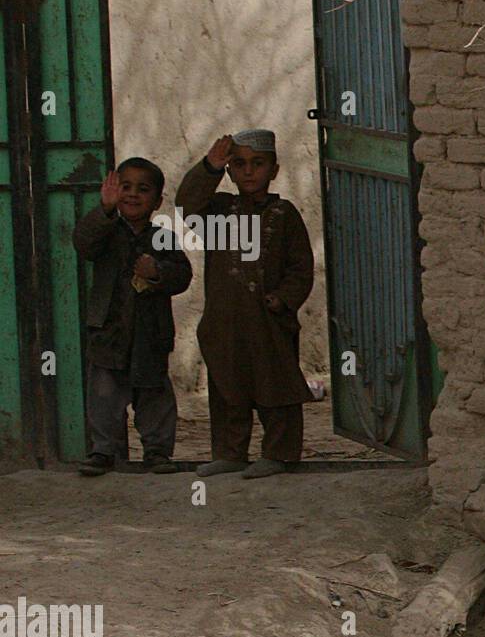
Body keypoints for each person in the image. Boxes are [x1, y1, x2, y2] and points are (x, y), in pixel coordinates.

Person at [175, 130, 314, 478]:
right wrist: (210, 166)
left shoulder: (284, 214)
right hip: (225, 320)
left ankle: (280, 454)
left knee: (276, 386)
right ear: (230, 171)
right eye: (239, 164)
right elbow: (187, 205)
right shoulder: (219, 212)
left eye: (258, 163)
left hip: (269, 320)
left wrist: (283, 299)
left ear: (274, 169)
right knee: (227, 387)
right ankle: (230, 453)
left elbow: (301, 268)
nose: (249, 172)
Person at [73, 159, 192, 476]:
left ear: (157, 200)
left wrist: (158, 272)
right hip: (109, 332)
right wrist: (105, 211)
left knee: (154, 394)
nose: (133, 195)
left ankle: (157, 452)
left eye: (143, 189)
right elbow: (83, 243)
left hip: (150, 334)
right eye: (125, 187)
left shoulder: (162, 237)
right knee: (104, 395)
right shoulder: (106, 231)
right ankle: (103, 451)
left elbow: (183, 276)